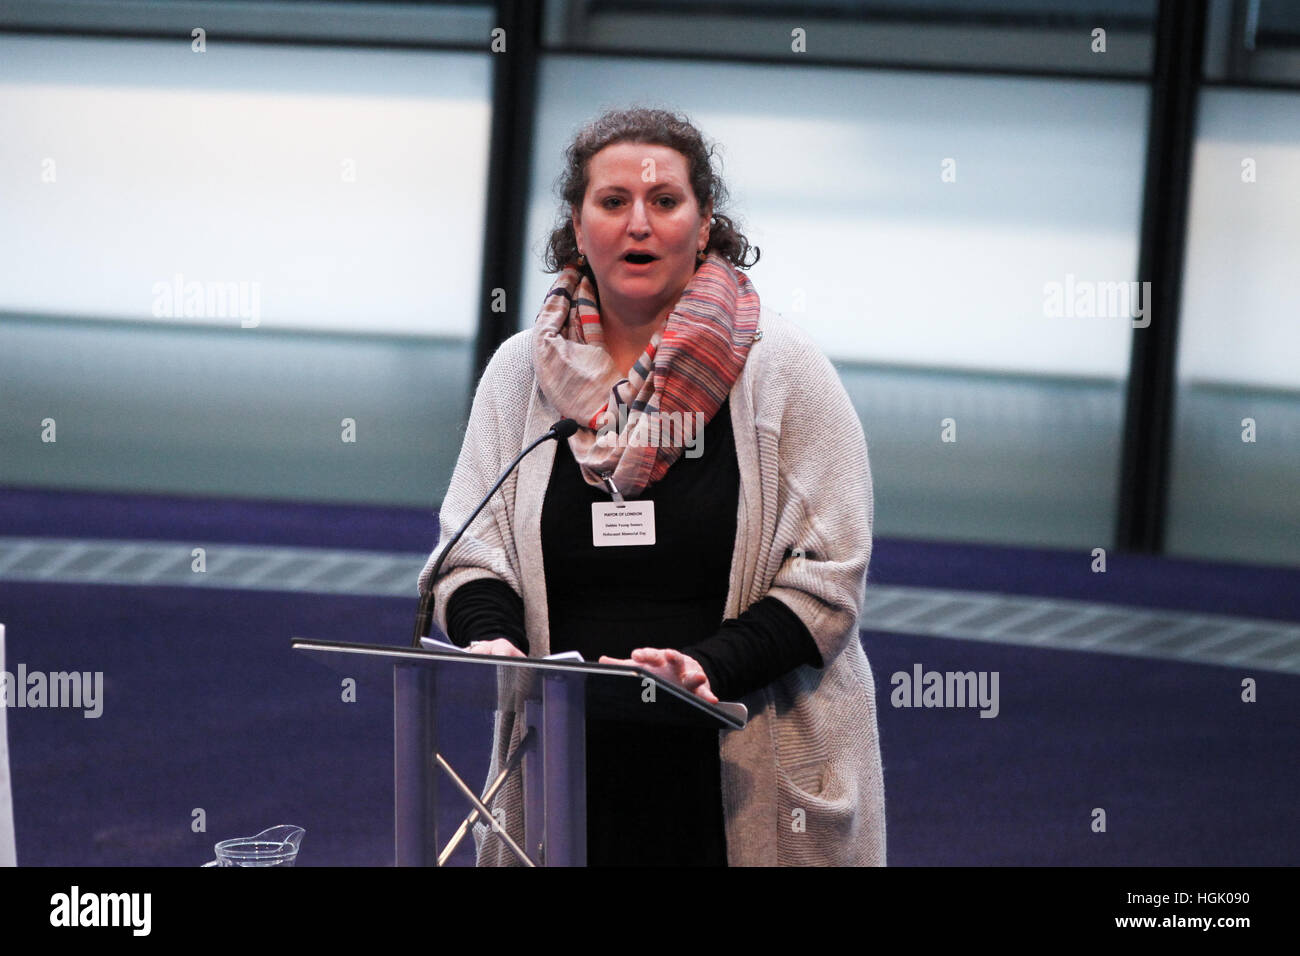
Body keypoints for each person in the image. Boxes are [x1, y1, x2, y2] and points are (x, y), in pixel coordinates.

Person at [417, 106, 885, 866]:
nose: (639, 223)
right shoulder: (518, 376)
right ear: (577, 224)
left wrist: (707, 665)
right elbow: (472, 553)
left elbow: (829, 580)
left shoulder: (786, 373)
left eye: (665, 201)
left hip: (740, 766)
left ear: (704, 227)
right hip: (568, 766)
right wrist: (489, 637)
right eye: (613, 202)